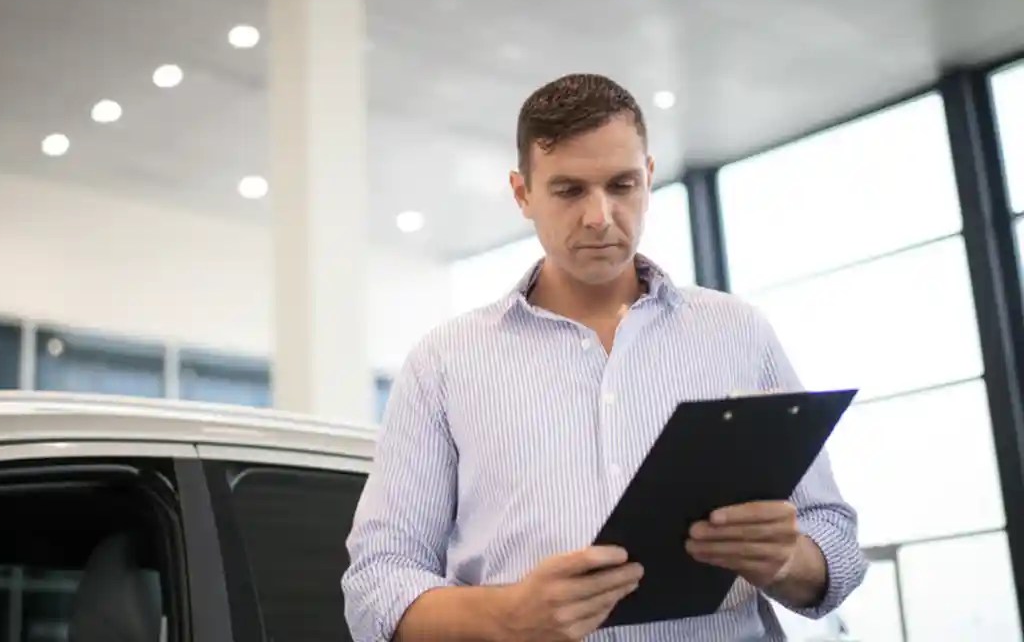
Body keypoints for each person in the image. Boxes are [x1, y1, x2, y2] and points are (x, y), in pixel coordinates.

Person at [341, 73, 867, 641]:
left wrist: (788, 561)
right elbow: (376, 582)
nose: (599, 216)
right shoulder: (444, 363)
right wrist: (506, 617)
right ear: (523, 193)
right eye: (569, 190)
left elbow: (833, 538)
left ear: (649, 177)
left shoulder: (736, 332)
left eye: (622, 185)